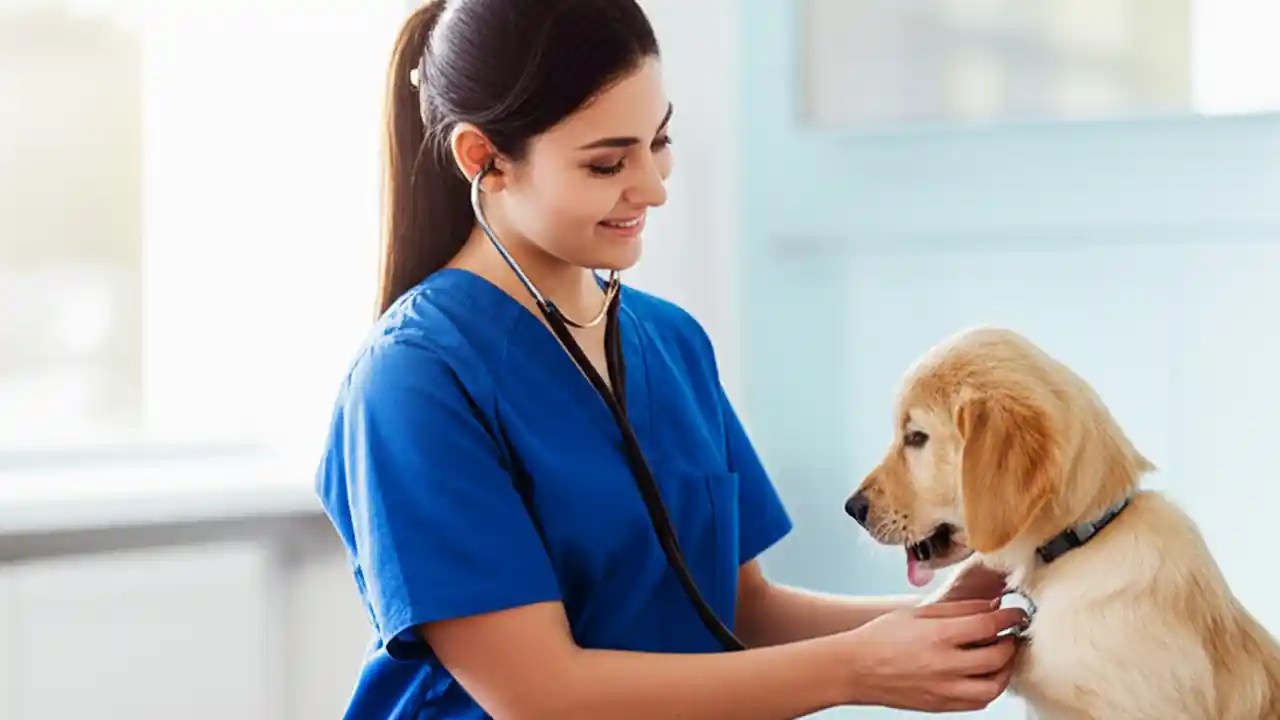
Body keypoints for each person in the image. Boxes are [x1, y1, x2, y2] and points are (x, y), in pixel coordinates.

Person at [313, 1, 1028, 717]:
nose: (653, 186)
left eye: (660, 142)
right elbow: (539, 696)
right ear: (485, 159)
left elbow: (739, 614)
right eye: (607, 163)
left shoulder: (671, 343)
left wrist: (940, 622)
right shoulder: (414, 381)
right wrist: (854, 670)